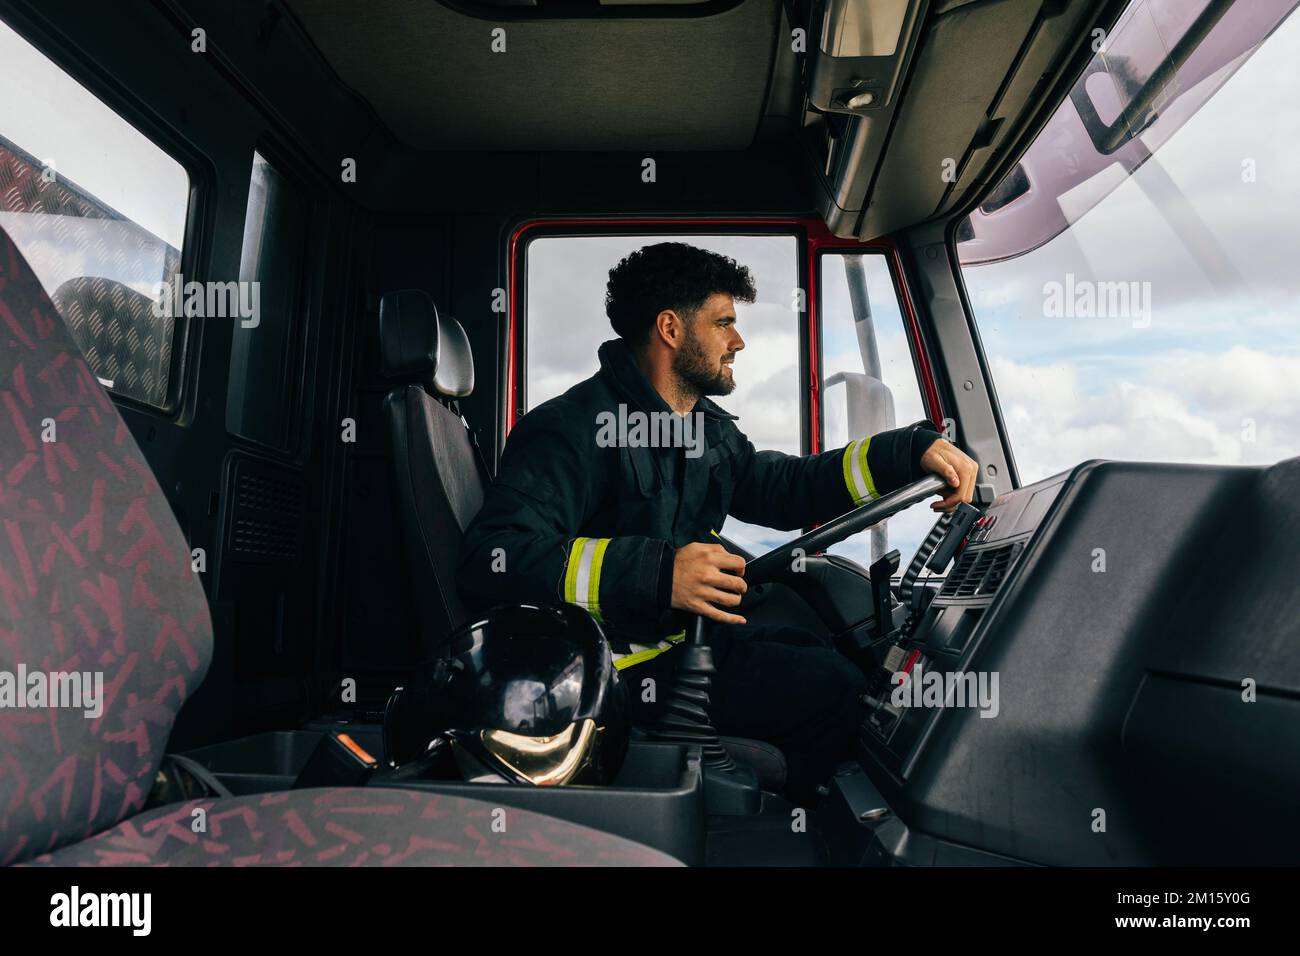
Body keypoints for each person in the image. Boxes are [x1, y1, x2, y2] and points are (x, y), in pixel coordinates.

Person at [457, 242, 978, 802]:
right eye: (724, 322)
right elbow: (494, 558)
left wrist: (907, 452)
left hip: (692, 646)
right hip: (616, 678)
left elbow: (784, 490)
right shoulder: (569, 429)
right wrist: (660, 575)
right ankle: (778, 834)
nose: (738, 341)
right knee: (841, 695)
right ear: (671, 329)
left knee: (839, 660)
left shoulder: (702, 429)